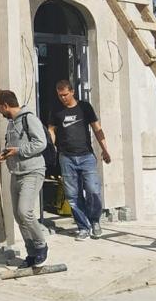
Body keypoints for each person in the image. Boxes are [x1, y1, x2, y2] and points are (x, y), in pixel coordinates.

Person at [47, 79, 111, 240]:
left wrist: (105, 150)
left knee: (93, 190)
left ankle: (95, 221)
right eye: (60, 95)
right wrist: (51, 146)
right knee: (73, 196)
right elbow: (51, 129)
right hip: (66, 158)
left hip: (86, 156)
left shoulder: (84, 107)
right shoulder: (56, 110)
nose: (62, 98)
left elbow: (97, 129)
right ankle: (83, 227)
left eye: (65, 95)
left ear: (72, 92)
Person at [0, 89, 49, 268]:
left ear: (5, 105)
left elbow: (41, 143)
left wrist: (19, 151)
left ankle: (41, 246)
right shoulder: (11, 123)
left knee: (25, 212)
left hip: (32, 171)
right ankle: (32, 253)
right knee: (19, 216)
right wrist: (4, 155)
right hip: (16, 173)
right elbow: (13, 146)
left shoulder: (29, 118)